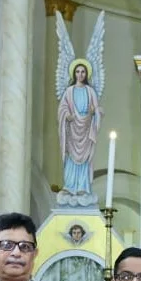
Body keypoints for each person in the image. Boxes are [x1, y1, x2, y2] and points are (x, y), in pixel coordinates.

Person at [58, 62, 102, 203]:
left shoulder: (90, 91)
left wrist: (93, 112)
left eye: (83, 72)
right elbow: (62, 109)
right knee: (71, 158)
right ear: (74, 73)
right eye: (78, 71)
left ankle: (83, 187)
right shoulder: (69, 91)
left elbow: (98, 109)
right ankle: (70, 186)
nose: (80, 74)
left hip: (86, 129)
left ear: (86, 74)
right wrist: (67, 115)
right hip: (72, 129)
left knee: (84, 160)